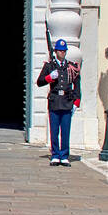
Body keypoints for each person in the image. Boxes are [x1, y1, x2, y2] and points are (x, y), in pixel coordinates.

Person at [37, 38, 81, 166]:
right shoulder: (49, 66)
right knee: (54, 130)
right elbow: (39, 82)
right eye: (60, 51)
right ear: (55, 51)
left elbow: (77, 85)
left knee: (65, 130)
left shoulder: (71, 66)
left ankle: (64, 155)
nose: (62, 53)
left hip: (67, 101)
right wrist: (50, 77)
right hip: (55, 101)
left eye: (64, 51)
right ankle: (55, 154)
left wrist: (76, 103)